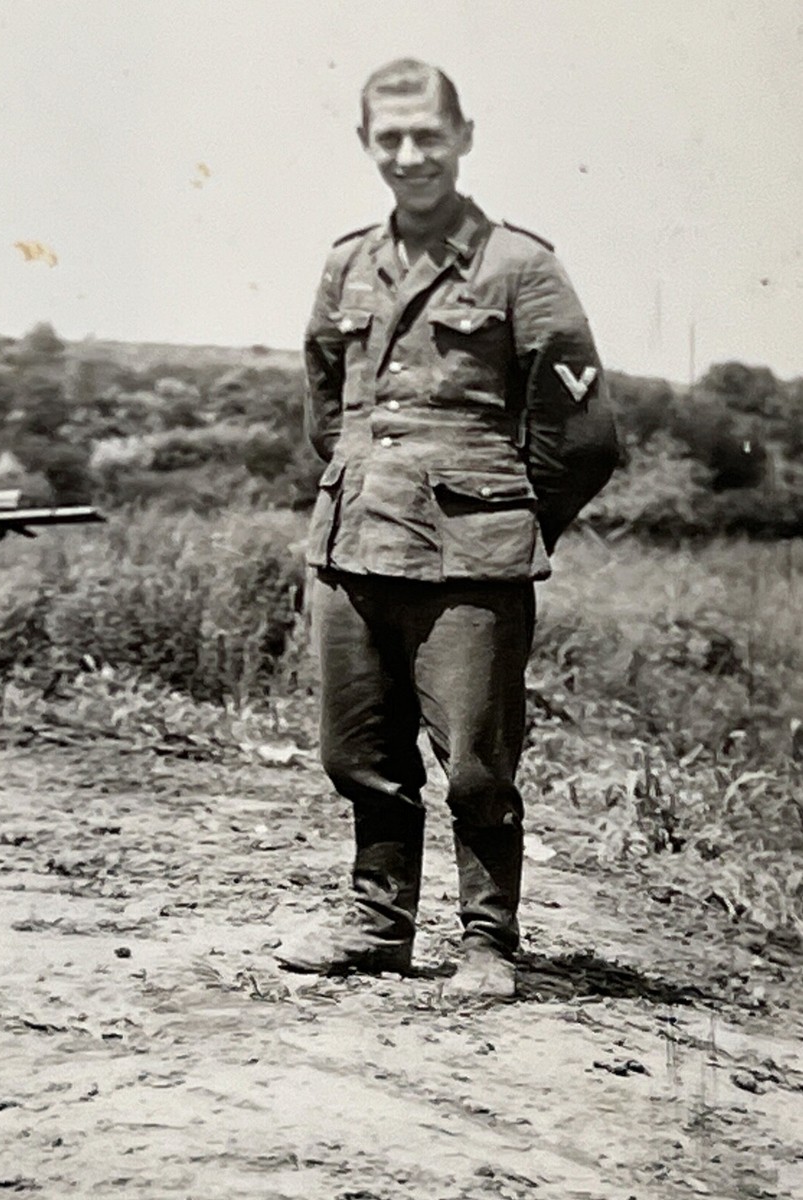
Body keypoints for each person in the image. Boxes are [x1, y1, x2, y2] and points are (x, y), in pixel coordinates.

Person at [276, 58, 618, 997]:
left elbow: (580, 437)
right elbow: (323, 405)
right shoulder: (347, 262)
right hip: (350, 546)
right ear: (364, 146)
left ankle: (487, 943)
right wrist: (363, 487)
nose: (409, 153)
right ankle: (377, 925)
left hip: (470, 561)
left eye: (427, 133)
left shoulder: (519, 266)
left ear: (463, 138)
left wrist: (497, 519)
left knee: (473, 762)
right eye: (388, 137)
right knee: (357, 754)